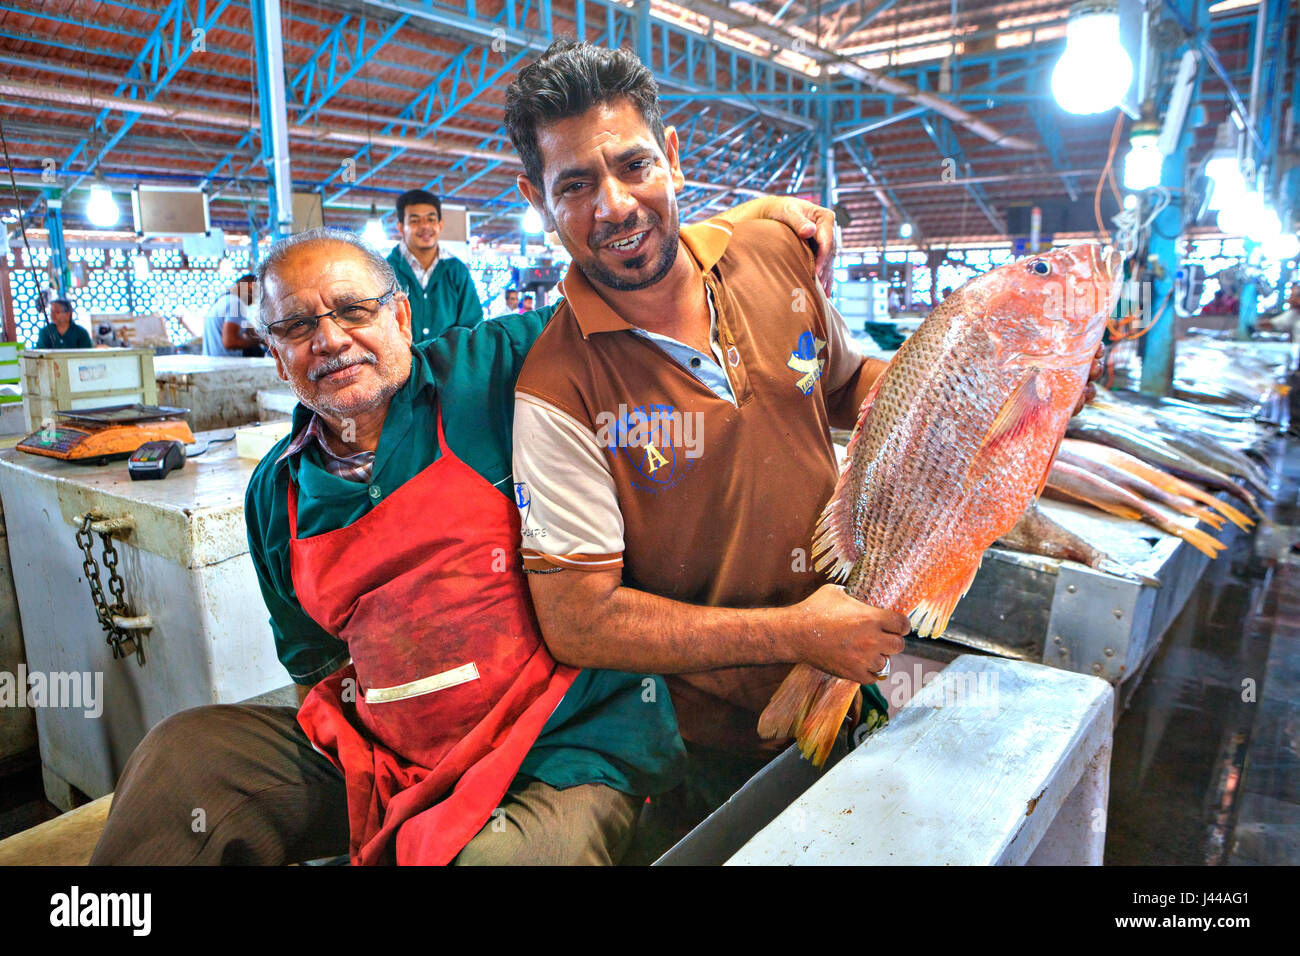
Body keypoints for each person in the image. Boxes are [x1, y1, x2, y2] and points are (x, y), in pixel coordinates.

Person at [90, 187, 844, 866]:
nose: (330, 339)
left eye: (354, 310)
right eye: (296, 325)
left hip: (554, 742)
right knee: (184, 763)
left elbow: (629, 291)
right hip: (385, 749)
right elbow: (313, 661)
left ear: (402, 315)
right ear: (275, 352)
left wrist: (743, 221)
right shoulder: (273, 492)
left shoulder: (491, 370)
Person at [504, 40, 1104, 850]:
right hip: (700, 736)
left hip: (862, 651)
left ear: (672, 157)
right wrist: (797, 635)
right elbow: (578, 621)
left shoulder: (773, 254)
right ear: (535, 199)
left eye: (634, 164)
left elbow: (846, 384)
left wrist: (985, 393)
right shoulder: (556, 388)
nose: (614, 205)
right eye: (575, 184)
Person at [387, 189, 484, 343]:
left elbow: (472, 326)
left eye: (431, 219)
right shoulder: (384, 271)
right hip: (401, 365)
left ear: (440, 224)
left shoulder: (457, 271)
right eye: (415, 220)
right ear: (400, 227)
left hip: (448, 366)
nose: (425, 226)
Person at [202, 274, 262, 356]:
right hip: (225, 365)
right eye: (258, 293)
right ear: (251, 286)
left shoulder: (222, 301)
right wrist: (257, 341)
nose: (255, 300)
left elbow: (246, 328)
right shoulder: (236, 303)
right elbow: (229, 342)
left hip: (213, 363)